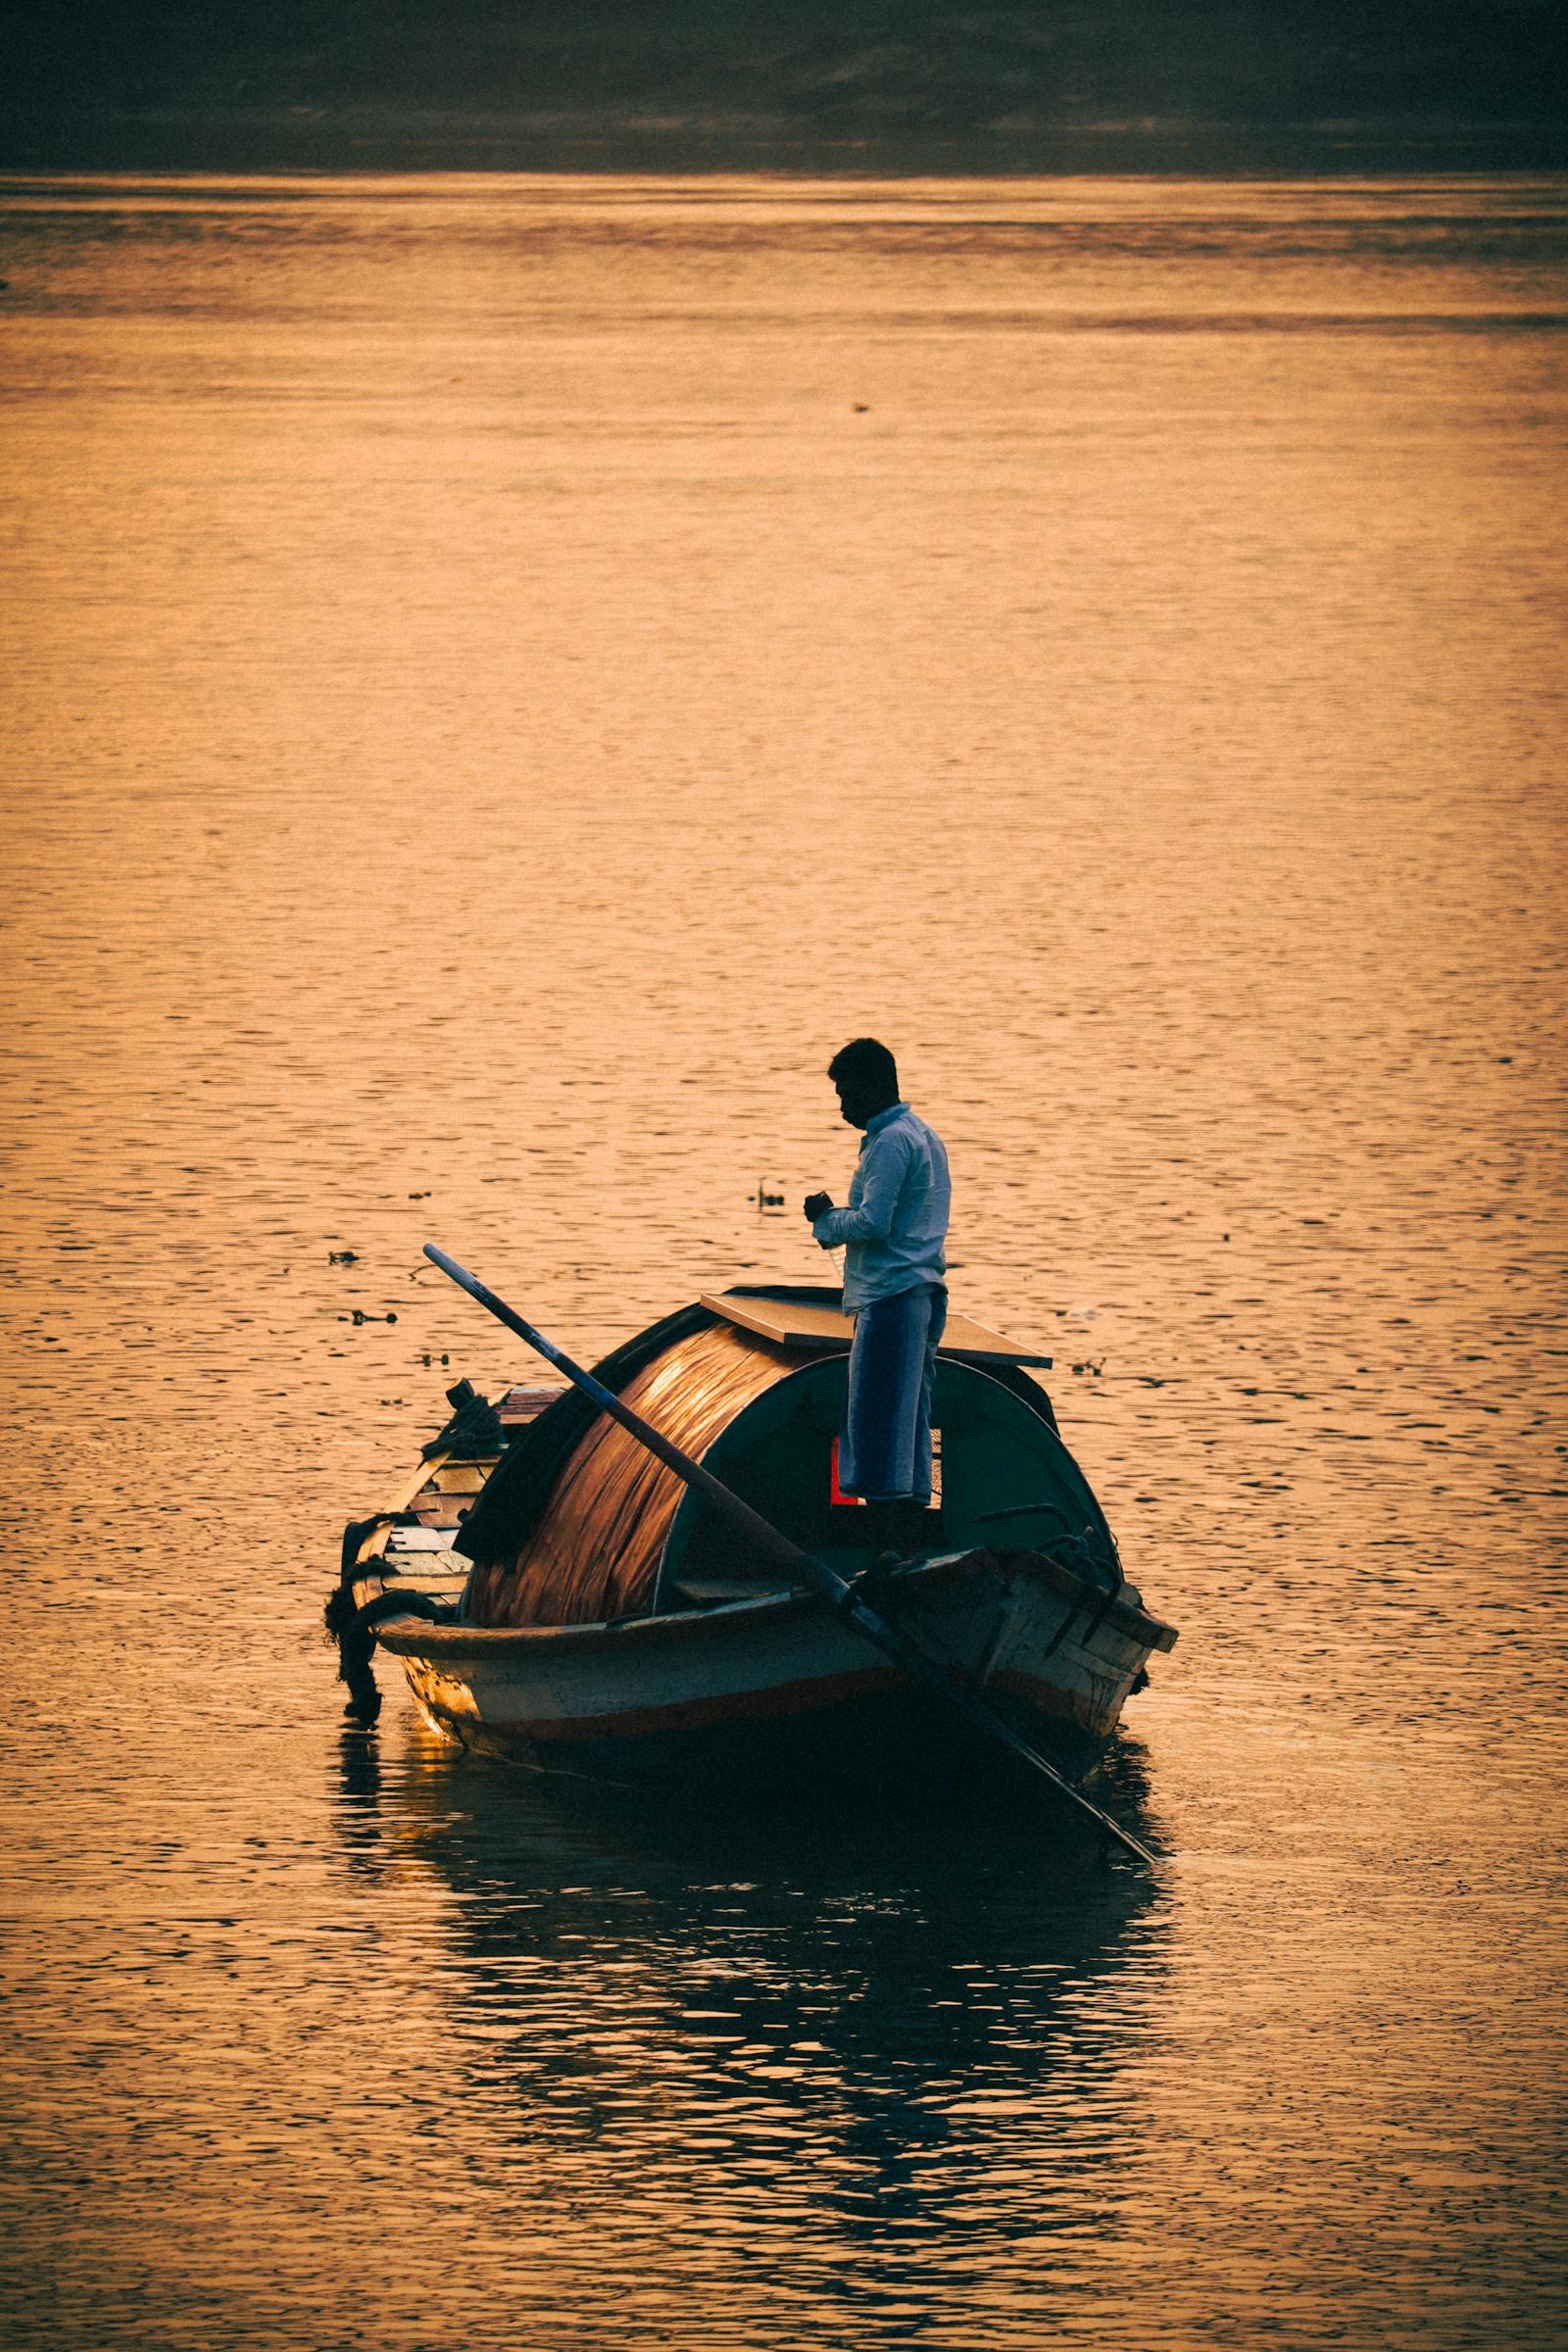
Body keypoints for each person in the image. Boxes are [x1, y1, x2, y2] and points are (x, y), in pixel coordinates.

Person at [804, 1039, 951, 1504]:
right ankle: (909, 1518)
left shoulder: (889, 1142)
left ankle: (886, 1527)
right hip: (921, 1292)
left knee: (877, 1418)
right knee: (908, 1419)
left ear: (874, 1086)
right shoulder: (924, 1135)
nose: (843, 1108)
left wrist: (827, 1219)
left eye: (847, 1095)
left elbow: (873, 1223)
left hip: (891, 1298)